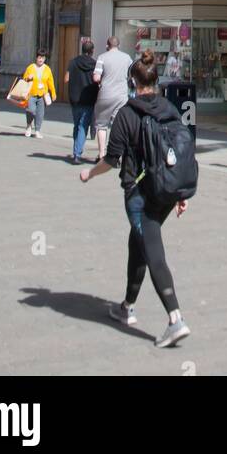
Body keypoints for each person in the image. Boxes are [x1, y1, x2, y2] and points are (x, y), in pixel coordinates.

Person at [80, 48, 191, 347]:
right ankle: (127, 306)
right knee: (137, 243)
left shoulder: (127, 114)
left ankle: (175, 318)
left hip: (140, 192)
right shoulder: (169, 108)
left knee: (152, 247)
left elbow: (111, 160)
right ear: (155, 80)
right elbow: (177, 152)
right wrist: (181, 193)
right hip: (166, 191)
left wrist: (89, 174)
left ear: (133, 82)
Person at [93, 36, 133, 161]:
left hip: (105, 95)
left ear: (107, 45)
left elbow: (96, 78)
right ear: (119, 45)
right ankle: (117, 156)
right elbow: (132, 74)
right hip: (121, 96)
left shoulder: (102, 57)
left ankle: (101, 154)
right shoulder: (127, 58)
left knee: (101, 125)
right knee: (119, 126)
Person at [65, 38, 99, 164]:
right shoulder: (95, 64)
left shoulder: (73, 62)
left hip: (74, 98)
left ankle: (76, 150)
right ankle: (77, 154)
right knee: (83, 126)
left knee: (77, 124)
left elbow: (66, 79)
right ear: (92, 51)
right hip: (88, 99)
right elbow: (97, 80)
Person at [22, 50, 56, 138]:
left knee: (40, 113)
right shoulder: (30, 67)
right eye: (39, 57)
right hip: (31, 94)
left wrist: (53, 93)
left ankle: (37, 130)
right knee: (31, 111)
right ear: (36, 58)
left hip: (42, 94)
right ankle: (29, 126)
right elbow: (24, 79)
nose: (41, 60)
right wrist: (28, 78)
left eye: (43, 58)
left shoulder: (47, 69)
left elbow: (50, 82)